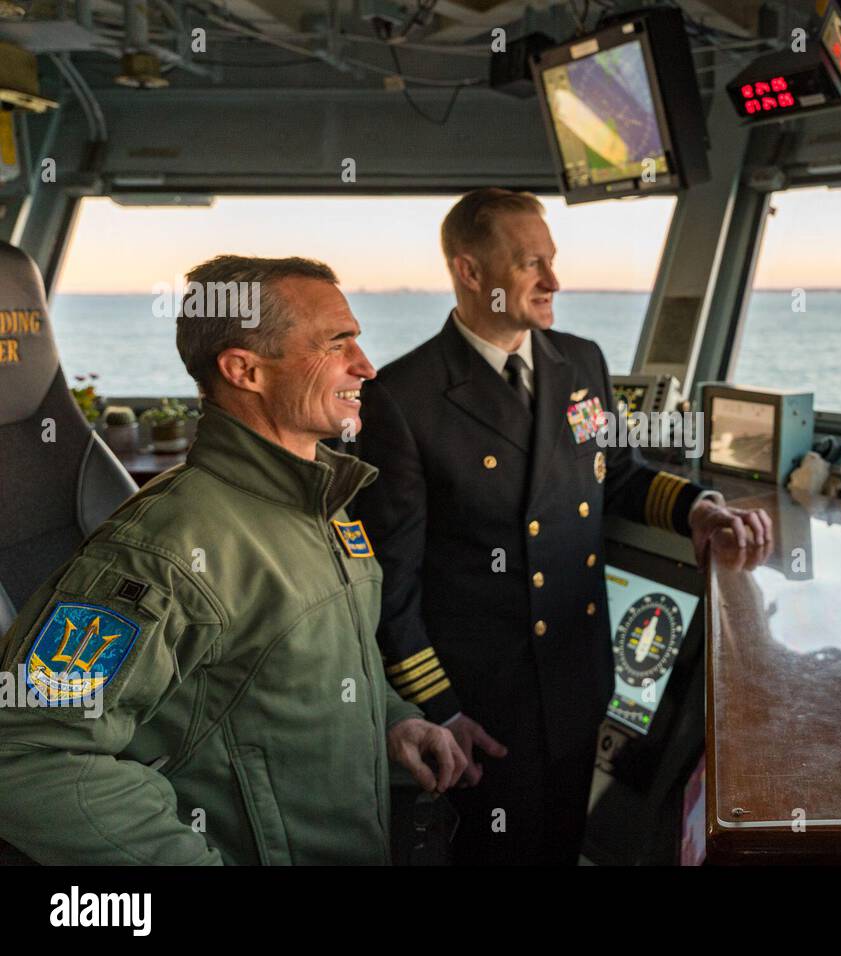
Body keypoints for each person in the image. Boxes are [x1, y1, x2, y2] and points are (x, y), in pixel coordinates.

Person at [0, 255, 466, 865]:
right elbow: (28, 754)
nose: (366, 367)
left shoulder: (323, 502)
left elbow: (317, 666)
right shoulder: (161, 553)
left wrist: (393, 719)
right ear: (244, 370)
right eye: (337, 344)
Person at [353, 188, 771, 865]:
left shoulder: (579, 362)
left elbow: (617, 473)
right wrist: (439, 710)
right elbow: (389, 586)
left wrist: (699, 507)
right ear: (469, 271)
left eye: (551, 260)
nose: (553, 281)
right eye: (529, 265)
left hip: (577, 677)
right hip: (483, 707)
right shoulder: (405, 398)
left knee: (561, 847)